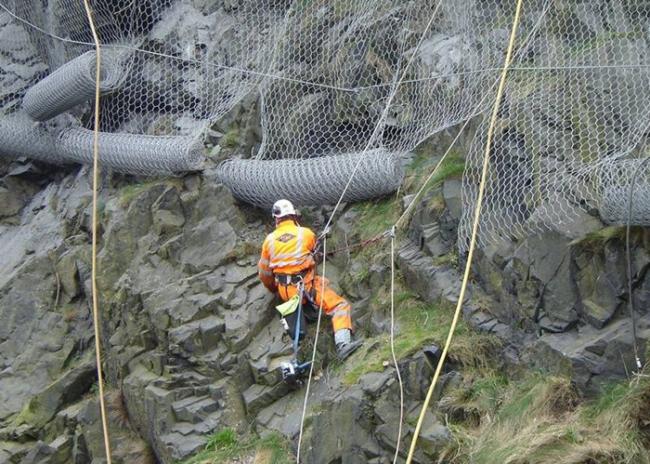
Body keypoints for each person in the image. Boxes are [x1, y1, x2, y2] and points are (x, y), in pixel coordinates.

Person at [258, 199, 362, 360]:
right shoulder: (305, 234)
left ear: (276, 219)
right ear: (293, 216)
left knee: (315, 286)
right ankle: (343, 344)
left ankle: (306, 312)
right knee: (339, 305)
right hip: (306, 288)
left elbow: (264, 274)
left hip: (286, 292)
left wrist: (274, 289)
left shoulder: (269, 241)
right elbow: (316, 256)